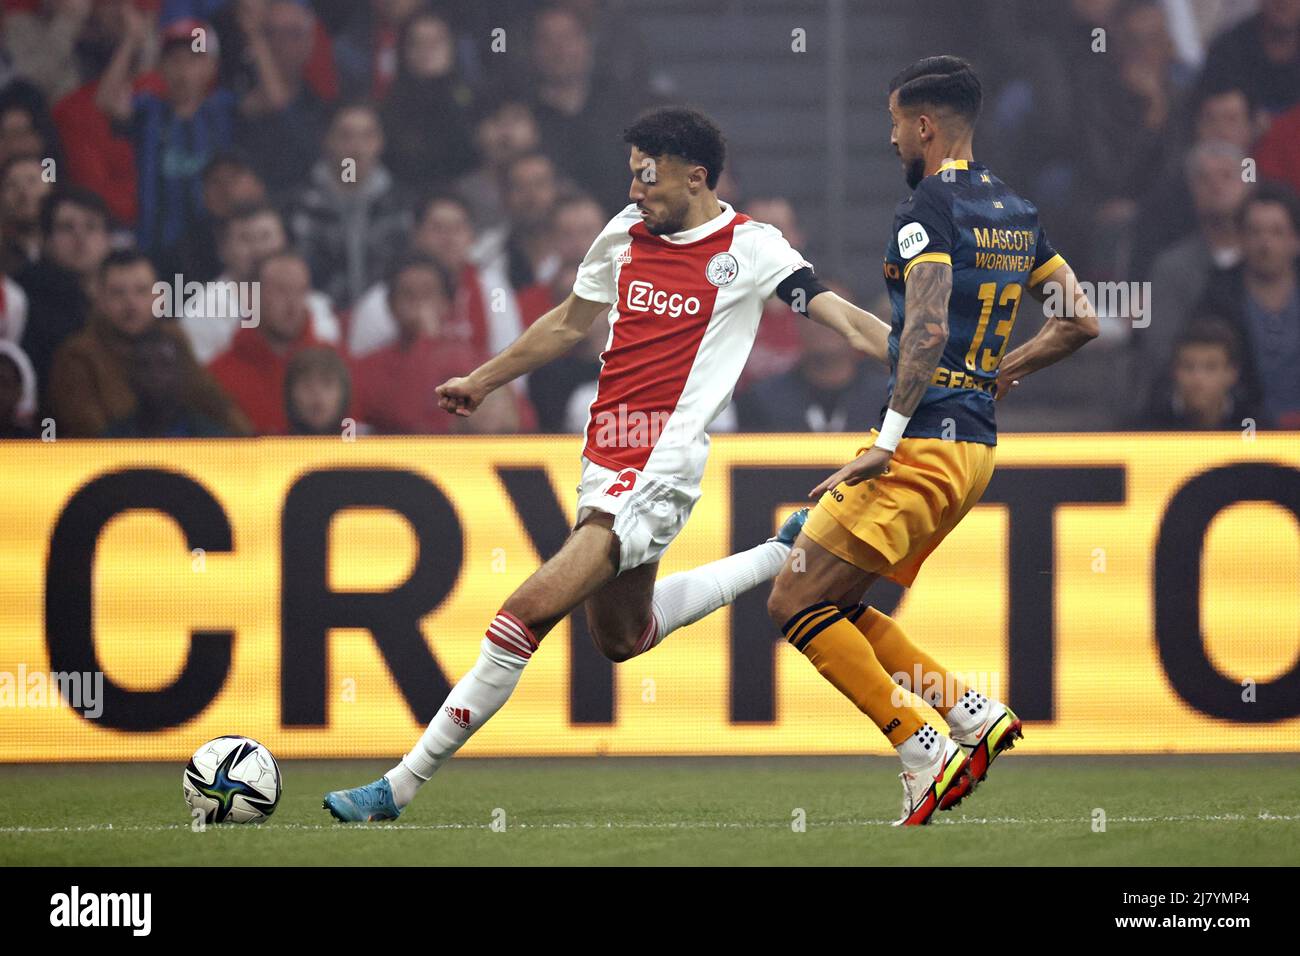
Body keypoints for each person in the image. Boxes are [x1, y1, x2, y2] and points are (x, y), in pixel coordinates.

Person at [322, 105, 893, 822]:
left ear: (695, 177)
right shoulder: (624, 234)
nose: (634, 192)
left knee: (522, 615)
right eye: (631, 175)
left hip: (660, 469)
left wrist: (927, 366)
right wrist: (484, 379)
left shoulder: (753, 249)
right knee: (623, 637)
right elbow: (568, 321)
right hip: (603, 461)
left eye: (647, 178)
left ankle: (396, 787)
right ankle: (776, 555)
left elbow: (840, 317)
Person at [766, 57, 1098, 825]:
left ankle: (921, 744)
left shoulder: (928, 206)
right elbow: (1081, 319)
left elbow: (927, 324)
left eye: (892, 125)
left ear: (923, 125)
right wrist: (999, 372)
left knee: (792, 599)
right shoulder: (1017, 209)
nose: (890, 140)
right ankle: (970, 714)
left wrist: (886, 436)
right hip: (975, 448)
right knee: (834, 602)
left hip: (919, 443)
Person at [47, 249, 249, 437]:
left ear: (158, 296)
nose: (131, 303)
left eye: (141, 291)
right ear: (99, 298)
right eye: (118, 293)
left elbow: (214, 403)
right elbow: (92, 436)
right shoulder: (77, 355)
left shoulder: (173, 340)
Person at [1137, 319, 1262, 429]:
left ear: (1232, 373)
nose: (1198, 378)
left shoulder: (1257, 428)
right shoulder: (1146, 430)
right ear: (1174, 371)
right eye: (1188, 366)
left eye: (1211, 367)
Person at [284, 345, 352, 436]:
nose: (317, 393)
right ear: (290, 394)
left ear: (344, 394)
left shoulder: (368, 444)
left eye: (327, 383)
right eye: (307, 385)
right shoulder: (268, 446)